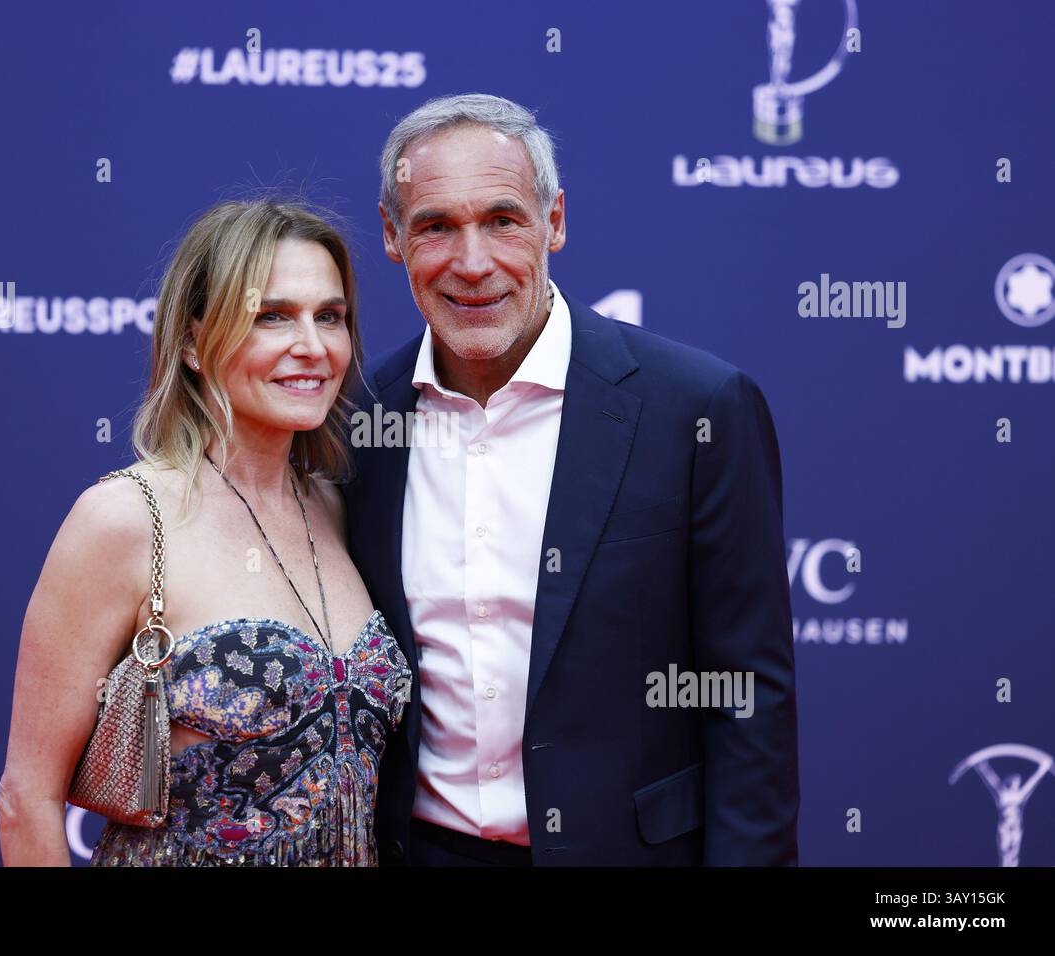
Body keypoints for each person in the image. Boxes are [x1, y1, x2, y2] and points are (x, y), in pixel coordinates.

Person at [342, 93, 800, 866]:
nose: (473, 262)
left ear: (554, 221)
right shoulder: (357, 422)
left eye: (503, 219)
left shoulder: (697, 407)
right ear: (392, 236)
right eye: (435, 227)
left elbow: (746, 699)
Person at [0, 199, 412, 866]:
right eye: (271, 316)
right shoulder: (127, 519)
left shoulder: (339, 510)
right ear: (191, 342)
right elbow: (28, 798)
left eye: (330, 317)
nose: (312, 346)